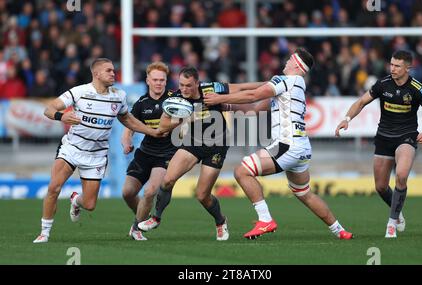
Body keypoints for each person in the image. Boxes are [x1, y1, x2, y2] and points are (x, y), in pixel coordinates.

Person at [204, 47, 353, 240]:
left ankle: (265, 219)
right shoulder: (293, 87)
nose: (286, 61)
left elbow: (252, 95)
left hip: (287, 144)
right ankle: (340, 230)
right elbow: (254, 109)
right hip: (301, 147)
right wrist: (228, 105)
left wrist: (219, 97)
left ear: (298, 65)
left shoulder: (283, 81)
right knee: (304, 193)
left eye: (291, 59)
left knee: (241, 171)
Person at [33, 58, 163, 243]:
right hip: (72, 148)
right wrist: (62, 116)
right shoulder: (79, 92)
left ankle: (76, 200)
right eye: (109, 70)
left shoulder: (118, 96)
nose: (113, 73)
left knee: (90, 204)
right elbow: (49, 109)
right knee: (53, 188)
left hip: (96, 155)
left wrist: (152, 131)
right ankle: (44, 233)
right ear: (96, 74)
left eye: (113, 70)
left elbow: (127, 120)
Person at [138, 66, 264, 241]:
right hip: (192, 143)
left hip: (217, 145)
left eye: (188, 85)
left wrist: (270, 84)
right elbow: (163, 126)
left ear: (198, 83)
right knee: (167, 181)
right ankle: (156, 218)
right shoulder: (176, 99)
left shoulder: (212, 89)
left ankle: (220, 221)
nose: (184, 89)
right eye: (181, 85)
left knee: (202, 195)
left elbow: (242, 87)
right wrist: (183, 118)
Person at [335, 50, 422, 238]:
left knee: (401, 175)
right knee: (381, 187)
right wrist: (347, 118)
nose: (392, 68)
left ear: (408, 68)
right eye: (391, 64)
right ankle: (398, 212)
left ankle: (391, 222)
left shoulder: (417, 88)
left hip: (407, 137)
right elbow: (361, 102)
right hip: (384, 137)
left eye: (397, 66)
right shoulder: (383, 84)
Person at [121, 62, 176, 241]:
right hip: (144, 153)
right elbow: (129, 126)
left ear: (166, 81)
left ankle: (137, 227)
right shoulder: (141, 103)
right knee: (127, 192)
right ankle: (142, 216)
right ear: (148, 81)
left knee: (150, 191)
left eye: (162, 80)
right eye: (155, 80)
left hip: (166, 155)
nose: (159, 83)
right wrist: (126, 141)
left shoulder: (174, 100)